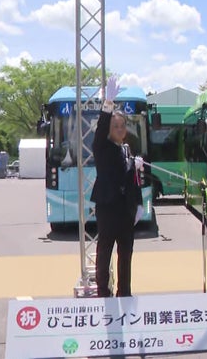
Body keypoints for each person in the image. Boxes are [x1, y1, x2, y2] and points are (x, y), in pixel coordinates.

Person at [90, 76, 144, 298]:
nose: (120, 129)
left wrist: (139, 204)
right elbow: (102, 128)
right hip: (108, 206)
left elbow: (133, 180)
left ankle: (125, 292)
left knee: (126, 253)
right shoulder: (102, 146)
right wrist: (108, 105)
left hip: (126, 209)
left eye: (122, 126)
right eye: (116, 126)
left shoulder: (126, 149)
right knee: (105, 250)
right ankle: (103, 292)